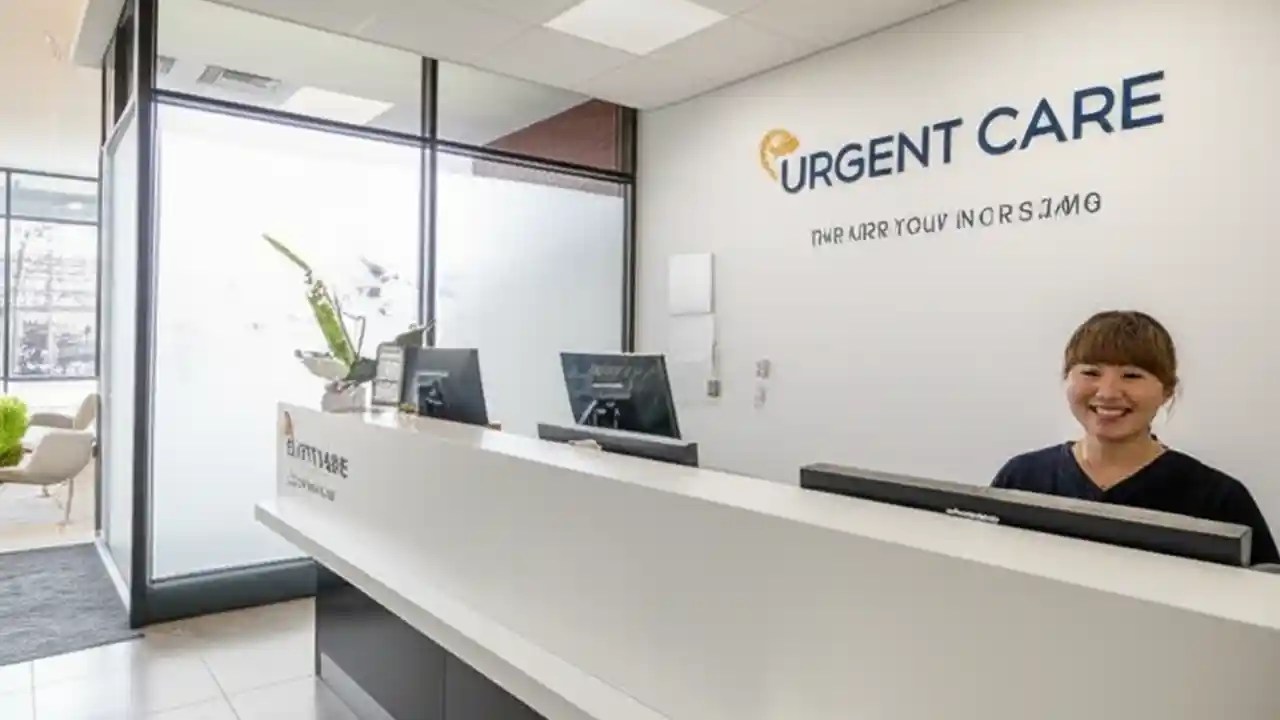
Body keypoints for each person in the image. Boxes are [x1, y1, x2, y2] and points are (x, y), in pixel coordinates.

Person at [992, 310, 1279, 566]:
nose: (1107, 392)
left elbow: (1266, 589)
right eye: (1091, 372)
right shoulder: (1021, 477)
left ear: (1167, 391)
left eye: (1131, 375)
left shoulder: (1218, 498)